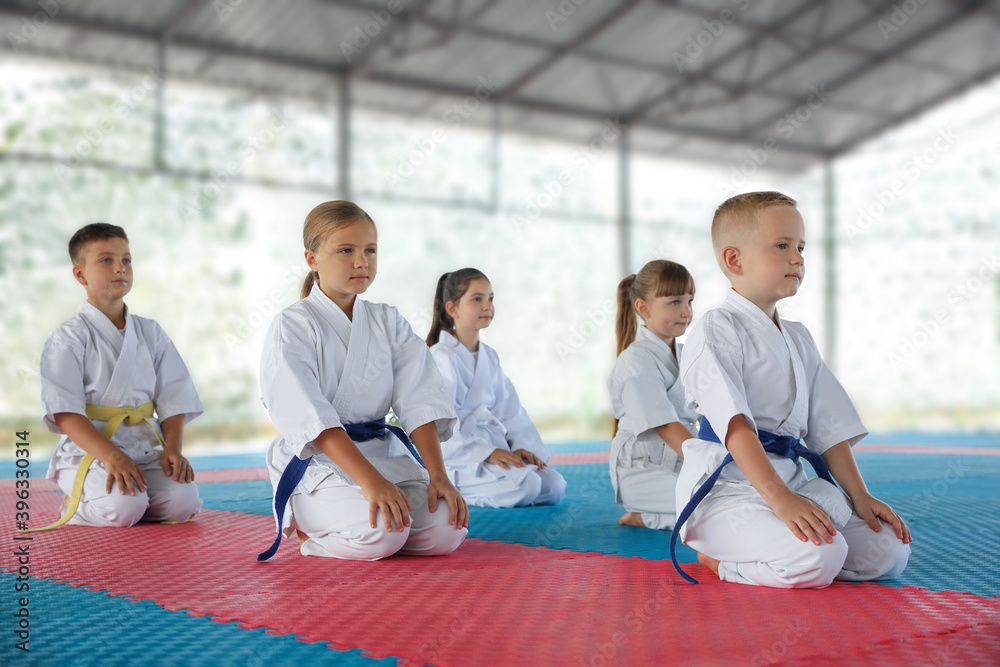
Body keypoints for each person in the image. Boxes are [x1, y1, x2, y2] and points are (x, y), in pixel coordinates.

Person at [672, 191, 911, 588]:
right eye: (782, 246)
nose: (798, 258)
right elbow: (736, 428)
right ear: (734, 259)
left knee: (887, 551)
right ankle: (718, 560)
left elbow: (829, 428)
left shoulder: (799, 337)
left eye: (800, 247)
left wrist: (860, 496)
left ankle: (788, 547)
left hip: (792, 481)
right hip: (728, 493)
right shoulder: (715, 331)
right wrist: (780, 501)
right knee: (819, 557)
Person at [258, 201, 468, 561]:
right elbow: (308, 415)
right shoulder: (291, 326)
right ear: (311, 258)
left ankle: (369, 525)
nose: (362, 261)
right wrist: (369, 482)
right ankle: (312, 536)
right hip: (322, 462)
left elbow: (420, 399)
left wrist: (438, 475)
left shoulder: (388, 321)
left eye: (370, 250)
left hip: (382, 454)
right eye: (346, 250)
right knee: (382, 533)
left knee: (446, 529)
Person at [32, 223, 202, 531]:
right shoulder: (67, 337)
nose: (120, 268)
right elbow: (65, 410)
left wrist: (173, 449)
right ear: (80, 275)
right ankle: (79, 504)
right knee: (123, 509)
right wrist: (111, 456)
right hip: (91, 450)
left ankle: (130, 498)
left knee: (183, 503)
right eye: (106, 260)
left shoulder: (150, 332)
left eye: (126, 259)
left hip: (144, 445)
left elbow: (174, 397)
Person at [426, 269, 565, 508]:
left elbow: (510, 411)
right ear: (452, 309)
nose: (487, 306)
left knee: (554, 485)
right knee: (528, 485)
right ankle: (461, 491)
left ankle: (498, 482)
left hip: (493, 446)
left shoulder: (489, 357)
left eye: (490, 298)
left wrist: (521, 447)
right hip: (459, 458)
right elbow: (440, 423)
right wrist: (484, 453)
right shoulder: (440, 357)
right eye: (477, 299)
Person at [608, 260, 697, 530]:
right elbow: (665, 425)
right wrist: (709, 462)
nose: (686, 311)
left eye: (690, 301)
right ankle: (645, 512)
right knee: (719, 499)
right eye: (674, 302)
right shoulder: (635, 360)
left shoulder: (688, 354)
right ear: (643, 308)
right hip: (642, 471)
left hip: (682, 460)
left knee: (739, 491)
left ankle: (655, 515)